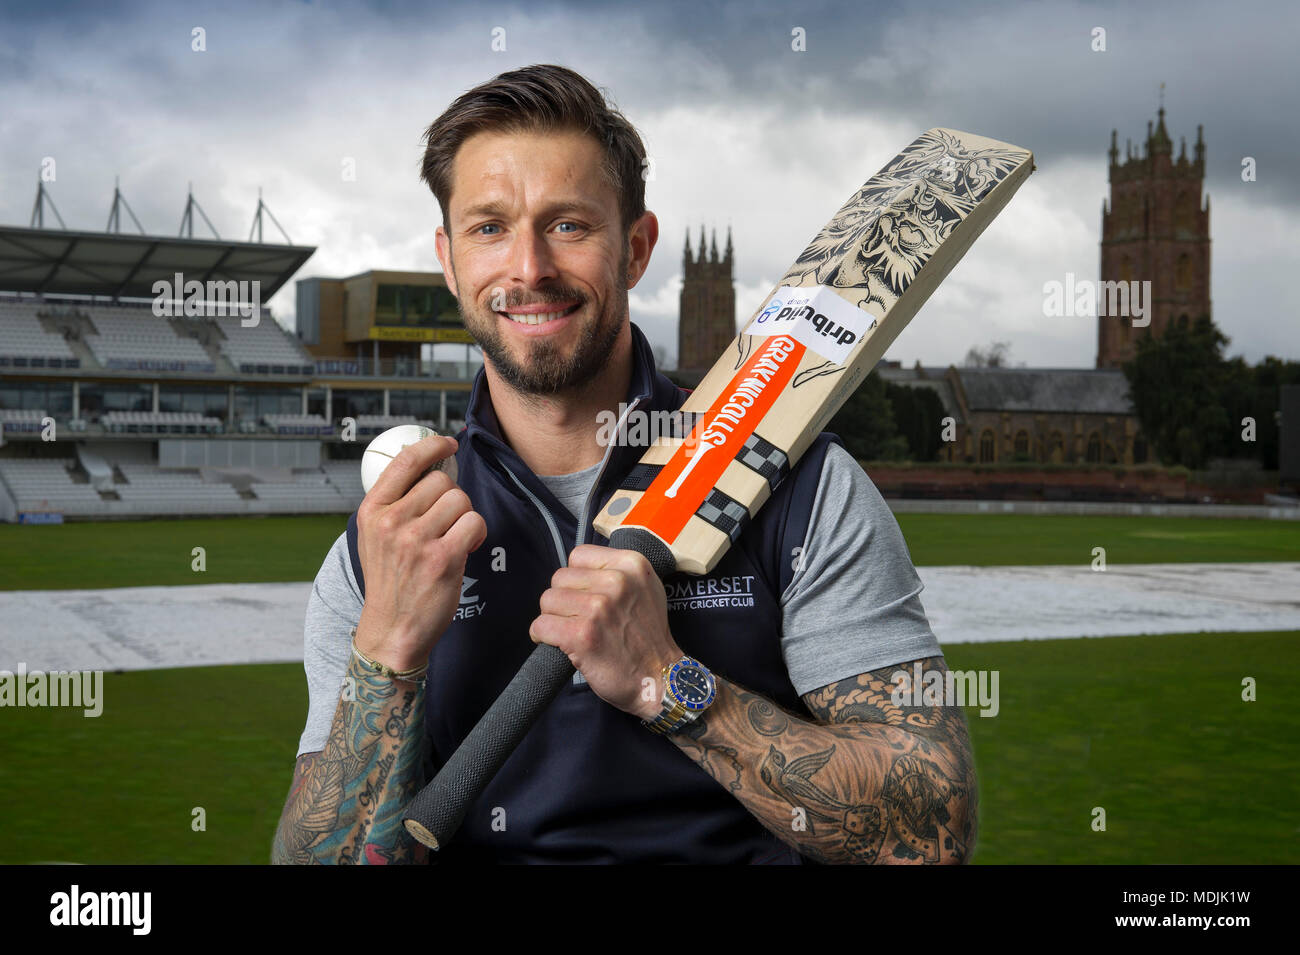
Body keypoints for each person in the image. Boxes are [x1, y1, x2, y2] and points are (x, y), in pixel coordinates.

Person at [271, 63, 975, 865]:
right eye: (489, 227)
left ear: (636, 249)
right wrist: (388, 654)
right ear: (449, 260)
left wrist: (668, 682)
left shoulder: (808, 493)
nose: (528, 267)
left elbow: (933, 834)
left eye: (568, 225)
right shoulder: (387, 548)